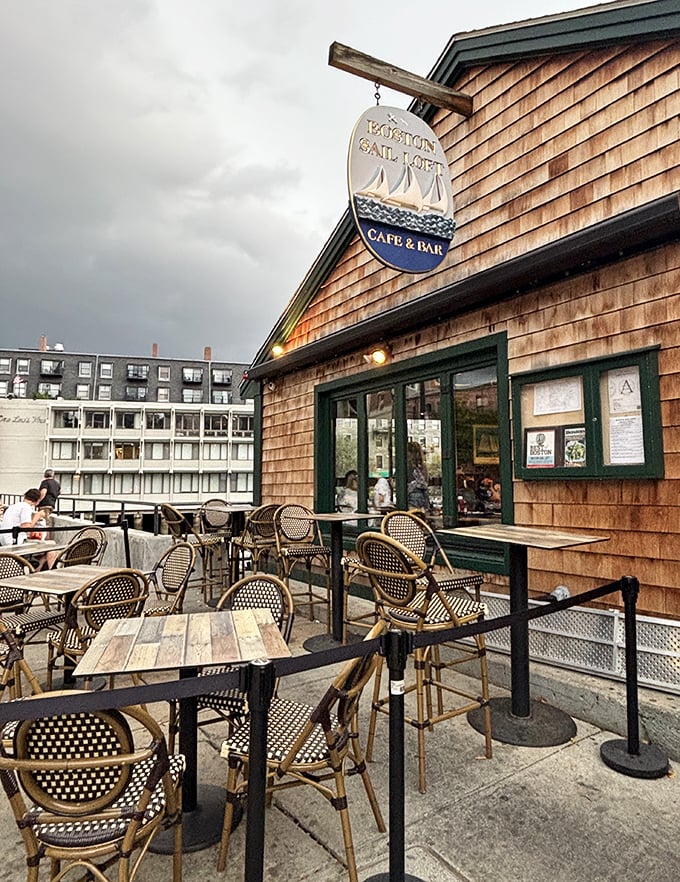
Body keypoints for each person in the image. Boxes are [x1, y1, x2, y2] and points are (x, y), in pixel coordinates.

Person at [407, 441, 430, 512]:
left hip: (411, 498)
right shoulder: (423, 467)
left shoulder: (408, 467)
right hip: (423, 498)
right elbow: (426, 481)